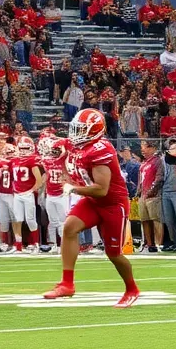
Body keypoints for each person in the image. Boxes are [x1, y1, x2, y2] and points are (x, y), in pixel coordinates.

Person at [43, 109, 138, 305]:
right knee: (69, 228)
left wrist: (72, 188)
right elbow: (63, 145)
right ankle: (67, 283)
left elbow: (101, 189)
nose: (76, 133)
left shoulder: (100, 149)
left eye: (81, 129)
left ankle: (131, 288)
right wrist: (54, 145)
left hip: (112, 204)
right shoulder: (79, 144)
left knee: (114, 254)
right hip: (93, 201)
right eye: (76, 129)